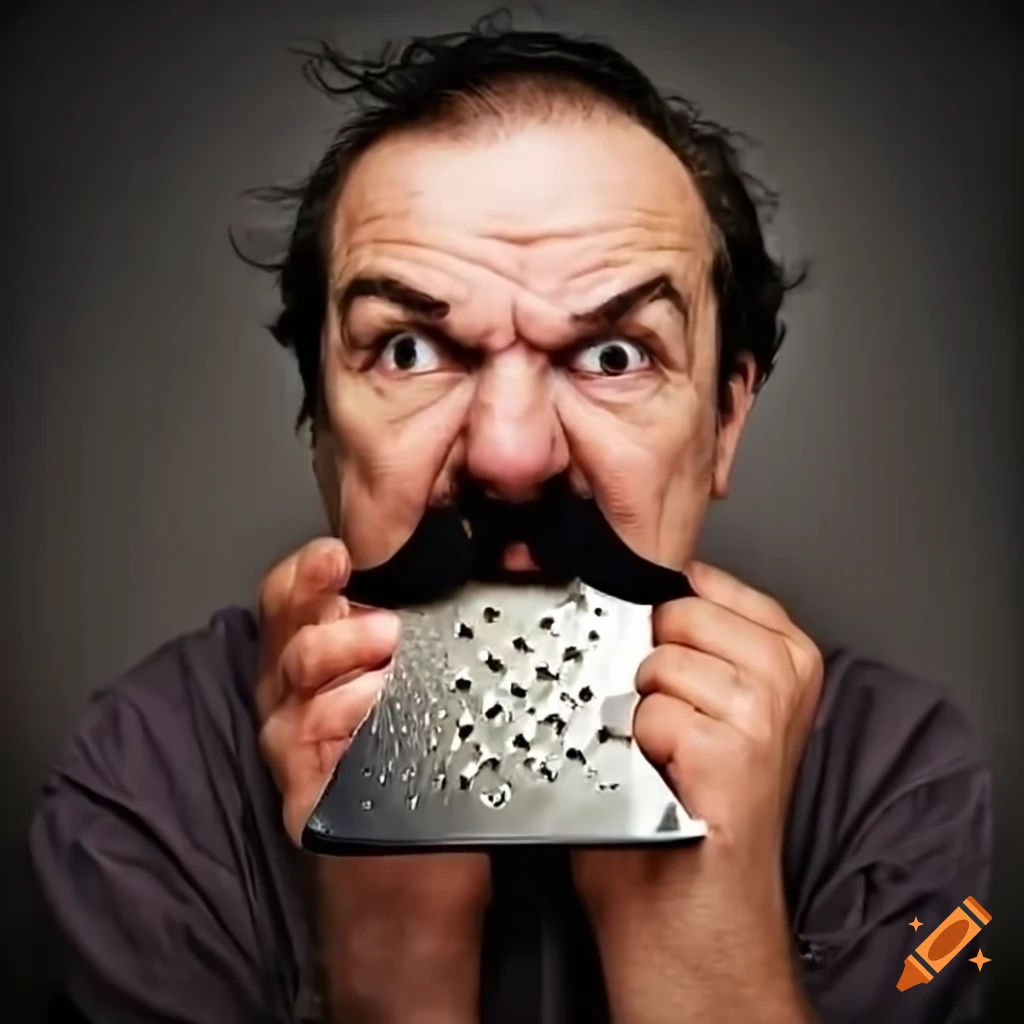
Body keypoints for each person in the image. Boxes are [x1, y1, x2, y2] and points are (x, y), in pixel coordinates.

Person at [29, 18, 992, 1024]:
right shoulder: (143, 782)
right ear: (321, 427)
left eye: (615, 356)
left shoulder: (900, 784)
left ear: (723, 424)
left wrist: (700, 947)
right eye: (408, 349)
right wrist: (395, 968)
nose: (511, 455)